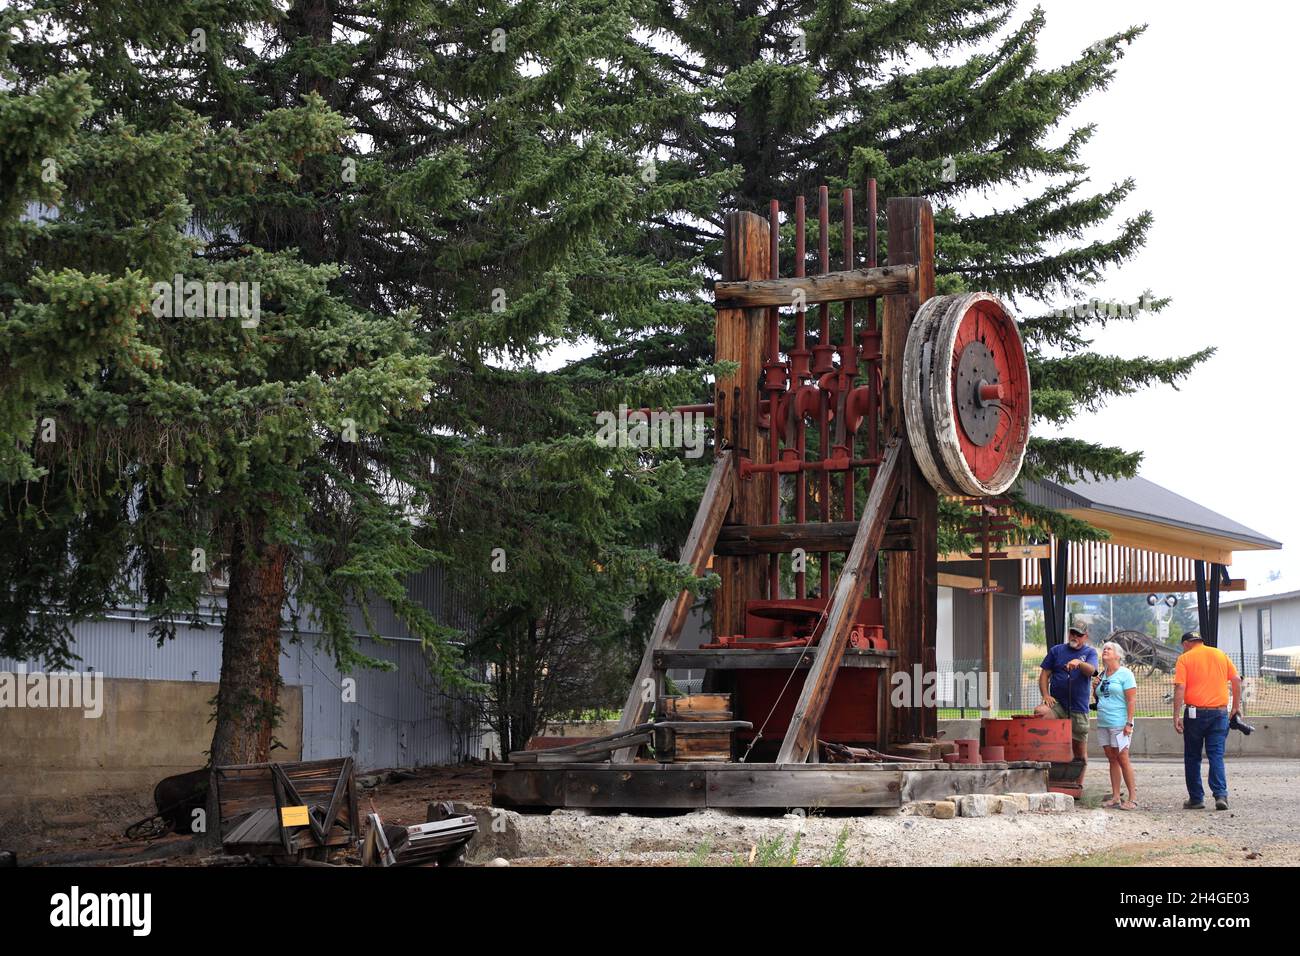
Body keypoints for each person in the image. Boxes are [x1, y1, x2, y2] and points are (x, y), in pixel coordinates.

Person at [1173, 629, 1242, 810]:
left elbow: (1180, 687)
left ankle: (1196, 799)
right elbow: (1236, 680)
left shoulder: (1185, 659)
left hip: (1195, 714)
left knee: (1193, 756)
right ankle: (1221, 795)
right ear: (1200, 641)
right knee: (1216, 755)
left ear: (1186, 644)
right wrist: (1235, 706)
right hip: (1219, 713)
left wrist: (1176, 715)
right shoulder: (1220, 654)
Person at [1036, 623, 1098, 786]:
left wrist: (1079, 662)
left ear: (1085, 636)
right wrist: (1046, 695)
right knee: (1040, 712)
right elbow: (1044, 675)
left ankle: (1078, 785)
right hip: (1058, 704)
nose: (1074, 637)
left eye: (1078, 634)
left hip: (1078, 708)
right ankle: (1046, 765)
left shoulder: (1090, 652)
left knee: (1080, 752)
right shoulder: (1057, 650)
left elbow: (1092, 671)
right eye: (1072, 633)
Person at [1094, 641, 1138, 809]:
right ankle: (1115, 797)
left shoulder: (1125, 674)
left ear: (1117, 655)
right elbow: (1102, 697)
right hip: (1104, 722)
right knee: (1112, 758)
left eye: (1109, 649)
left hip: (1120, 723)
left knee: (1123, 758)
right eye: (1104, 648)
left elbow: (1131, 699)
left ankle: (1132, 797)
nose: (1105, 650)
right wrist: (1094, 689)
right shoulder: (1103, 675)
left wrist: (1129, 723)